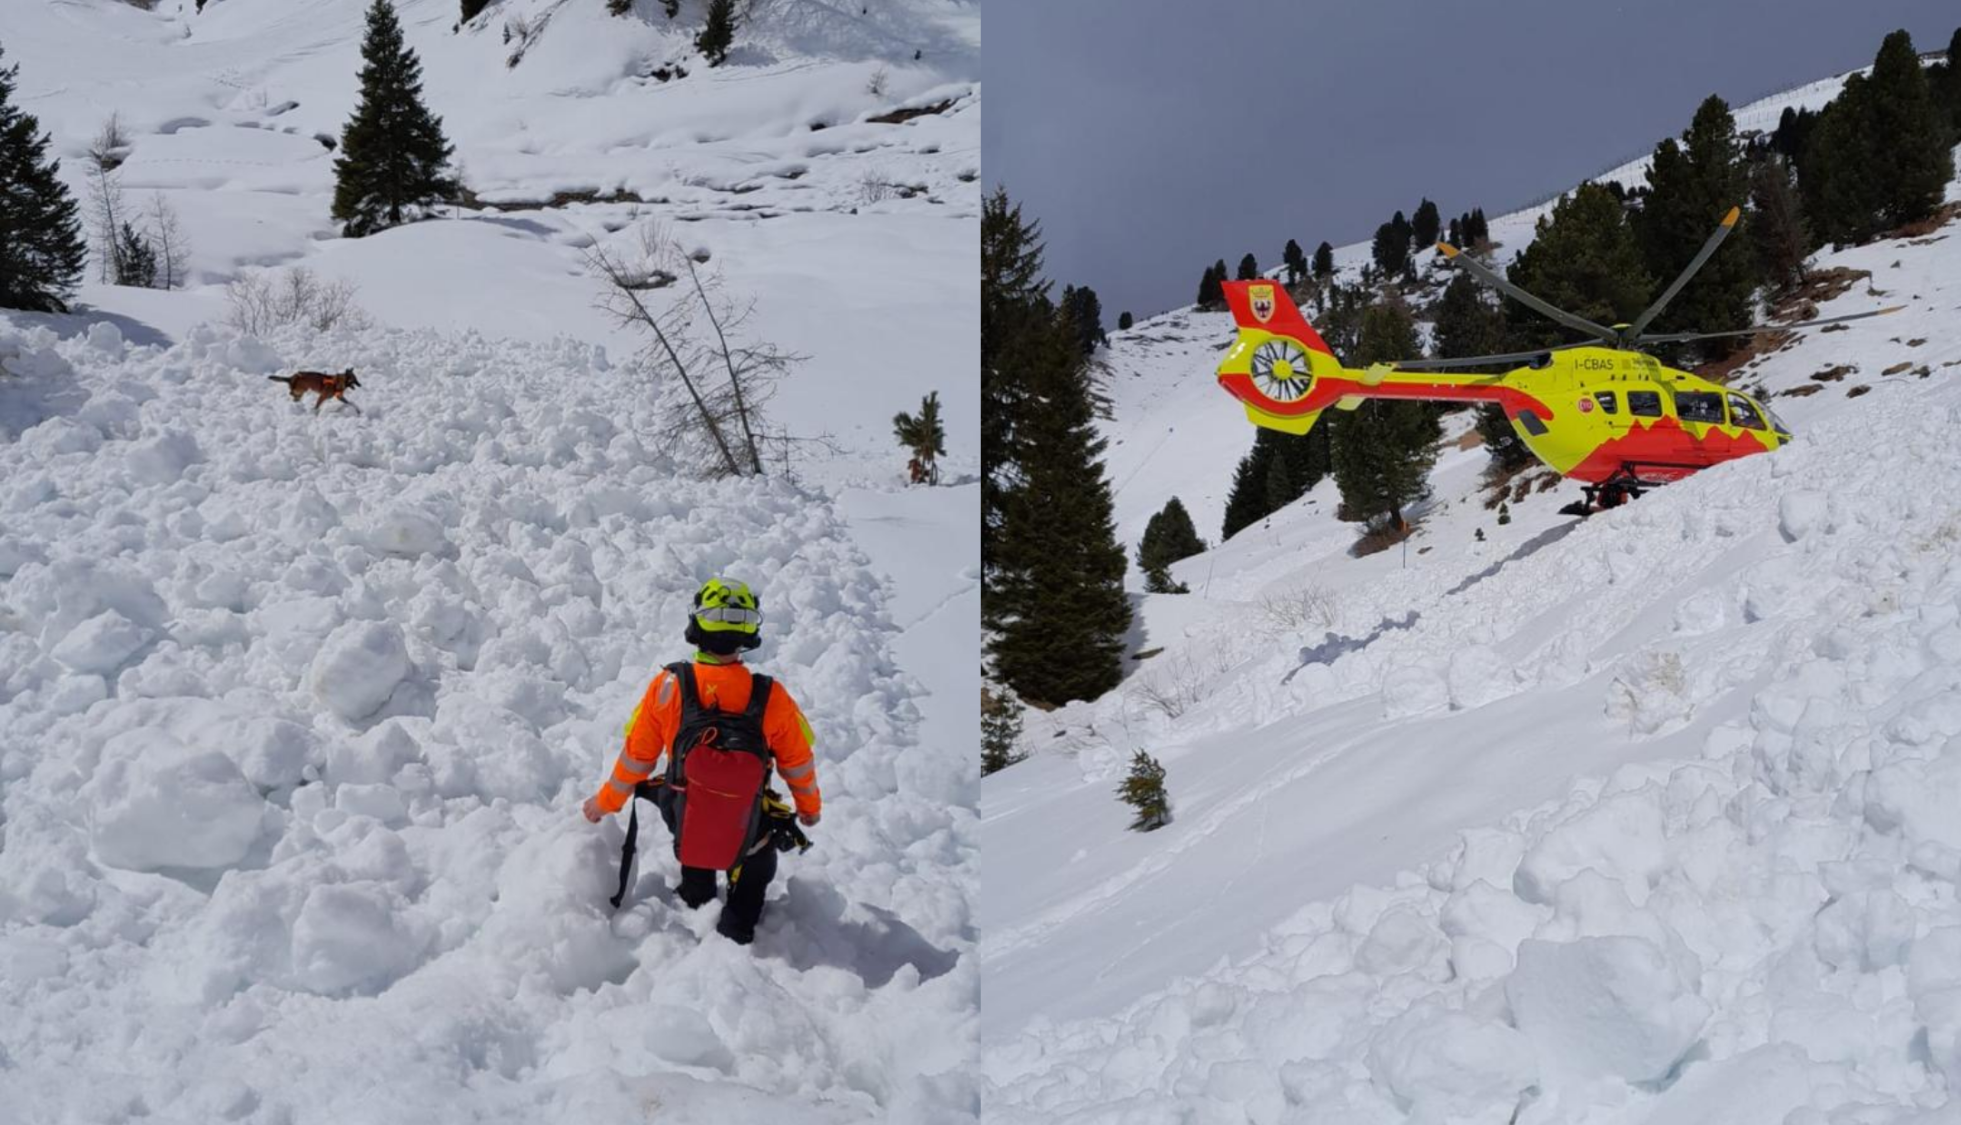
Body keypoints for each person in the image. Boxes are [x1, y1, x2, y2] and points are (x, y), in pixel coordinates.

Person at [583, 578, 821, 944]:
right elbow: (798, 762)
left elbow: (636, 760)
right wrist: (808, 807)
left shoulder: (668, 686)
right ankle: (737, 927)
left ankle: (697, 894)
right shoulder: (771, 696)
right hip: (748, 821)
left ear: (696, 627)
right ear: (748, 634)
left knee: (691, 811)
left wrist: (604, 803)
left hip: (687, 817)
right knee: (758, 858)